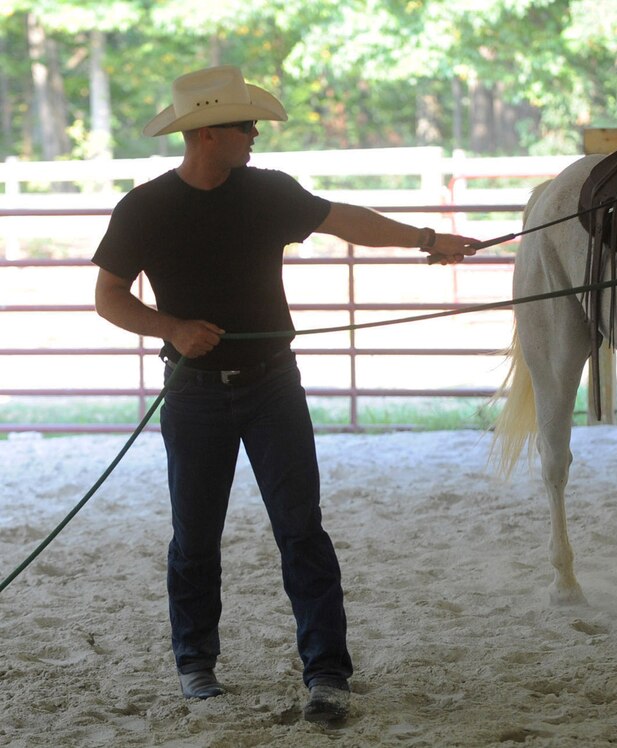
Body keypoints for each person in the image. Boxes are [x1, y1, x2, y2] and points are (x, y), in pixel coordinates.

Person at [92, 65, 478, 723]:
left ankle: (326, 672)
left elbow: (343, 219)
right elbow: (108, 298)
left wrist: (425, 240)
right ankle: (196, 665)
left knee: (301, 528)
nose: (254, 136)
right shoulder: (144, 208)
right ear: (208, 132)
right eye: (246, 126)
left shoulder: (268, 192)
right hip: (193, 395)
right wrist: (172, 328)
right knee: (195, 536)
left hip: (273, 385)